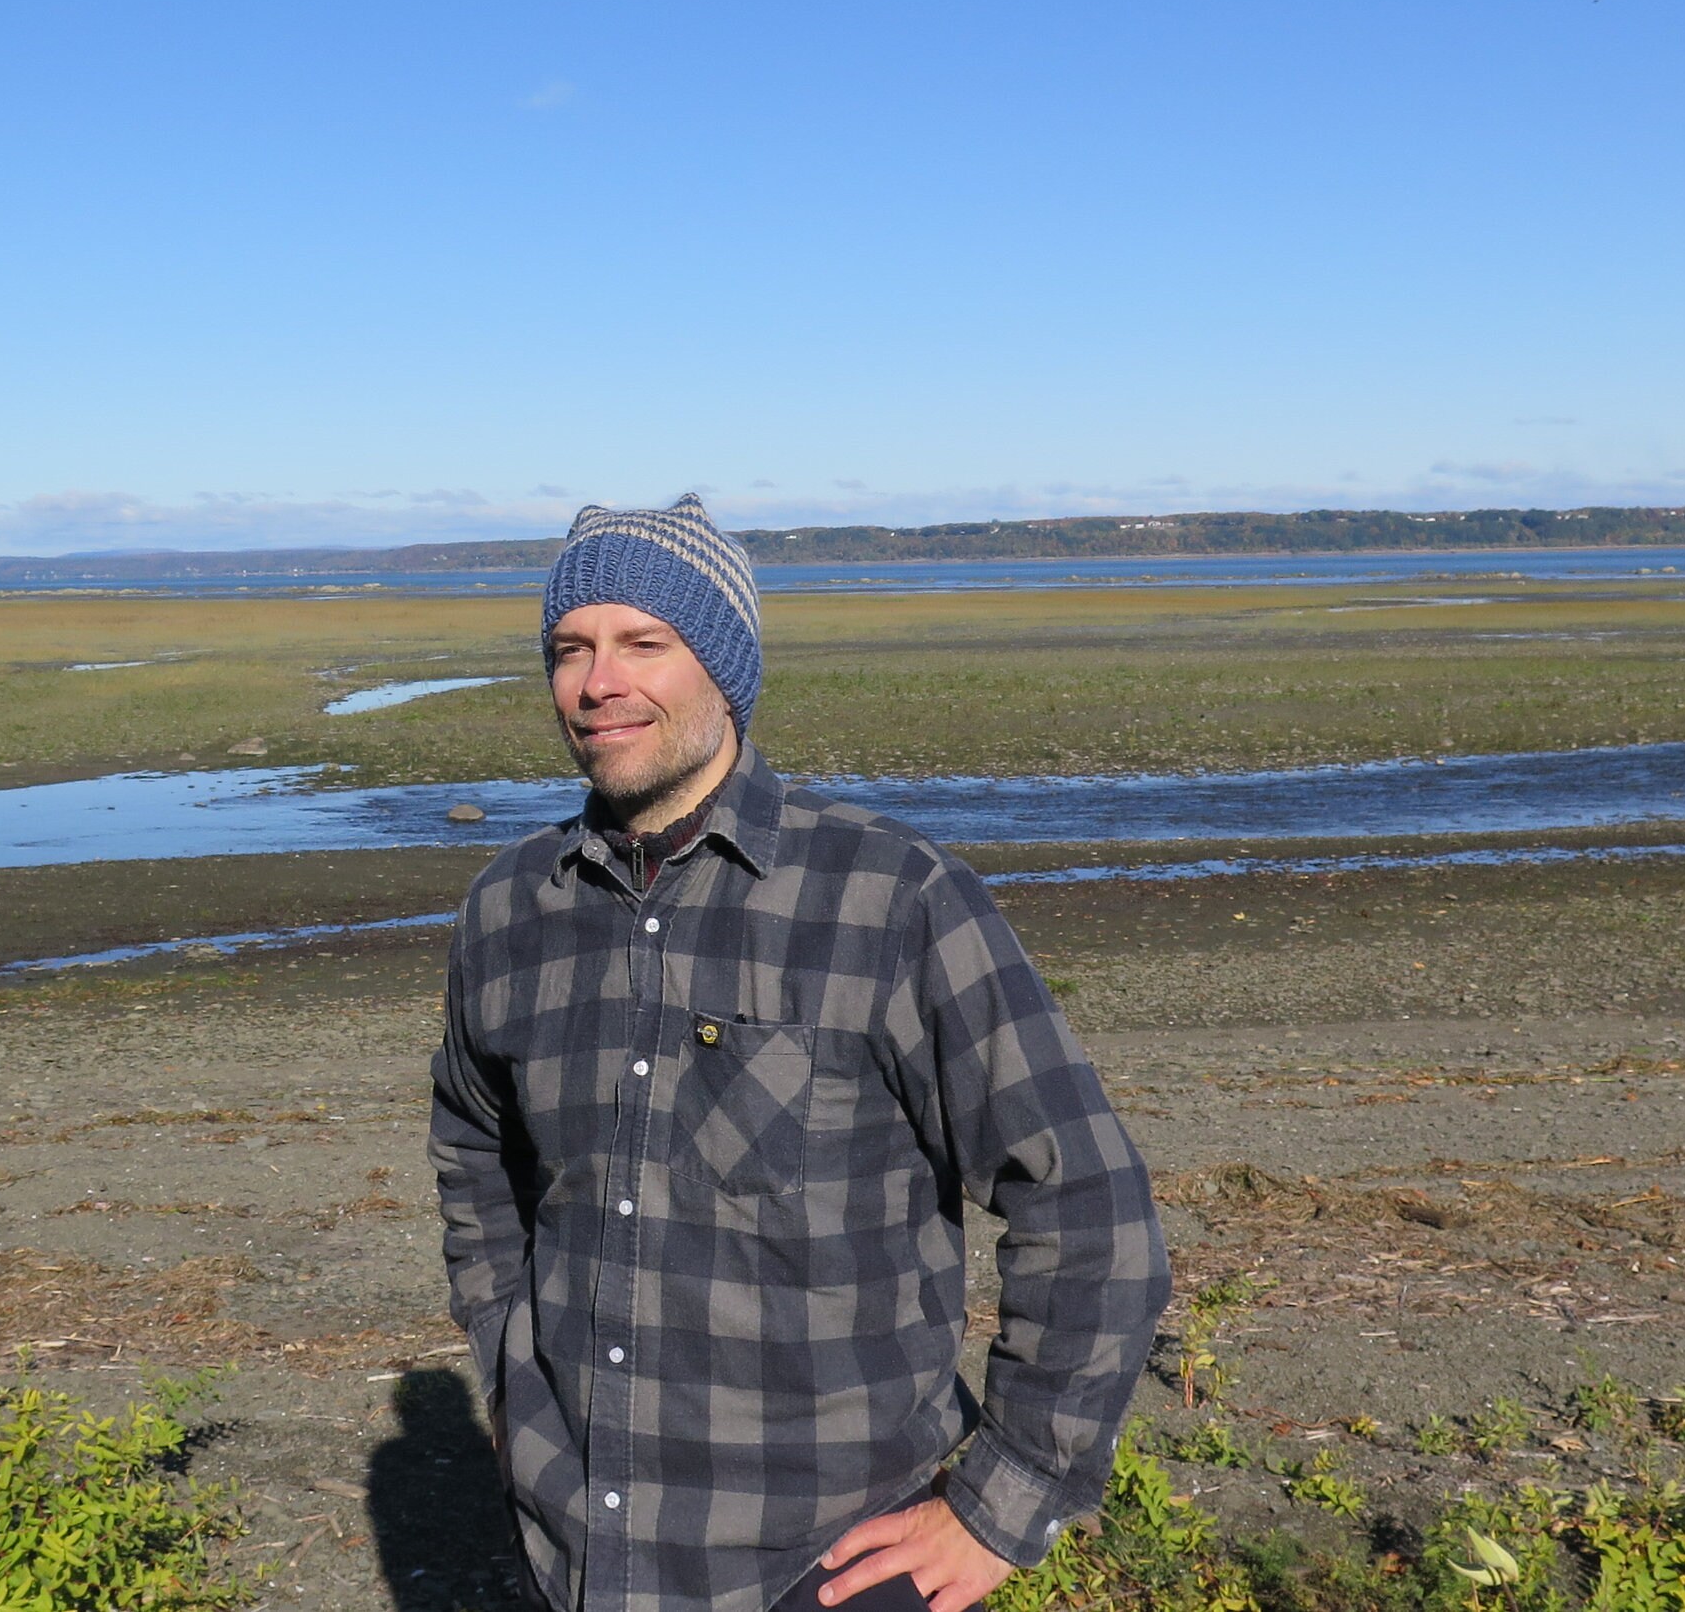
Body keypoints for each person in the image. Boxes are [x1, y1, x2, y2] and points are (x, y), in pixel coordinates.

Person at [430, 496, 1172, 1612]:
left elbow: (1087, 1199)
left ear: (723, 668)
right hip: (574, 1555)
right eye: (569, 649)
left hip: (829, 1564)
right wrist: (507, 1373)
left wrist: (1003, 1502)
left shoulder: (891, 897)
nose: (597, 684)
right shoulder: (510, 911)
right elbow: (475, 1155)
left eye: (645, 644)